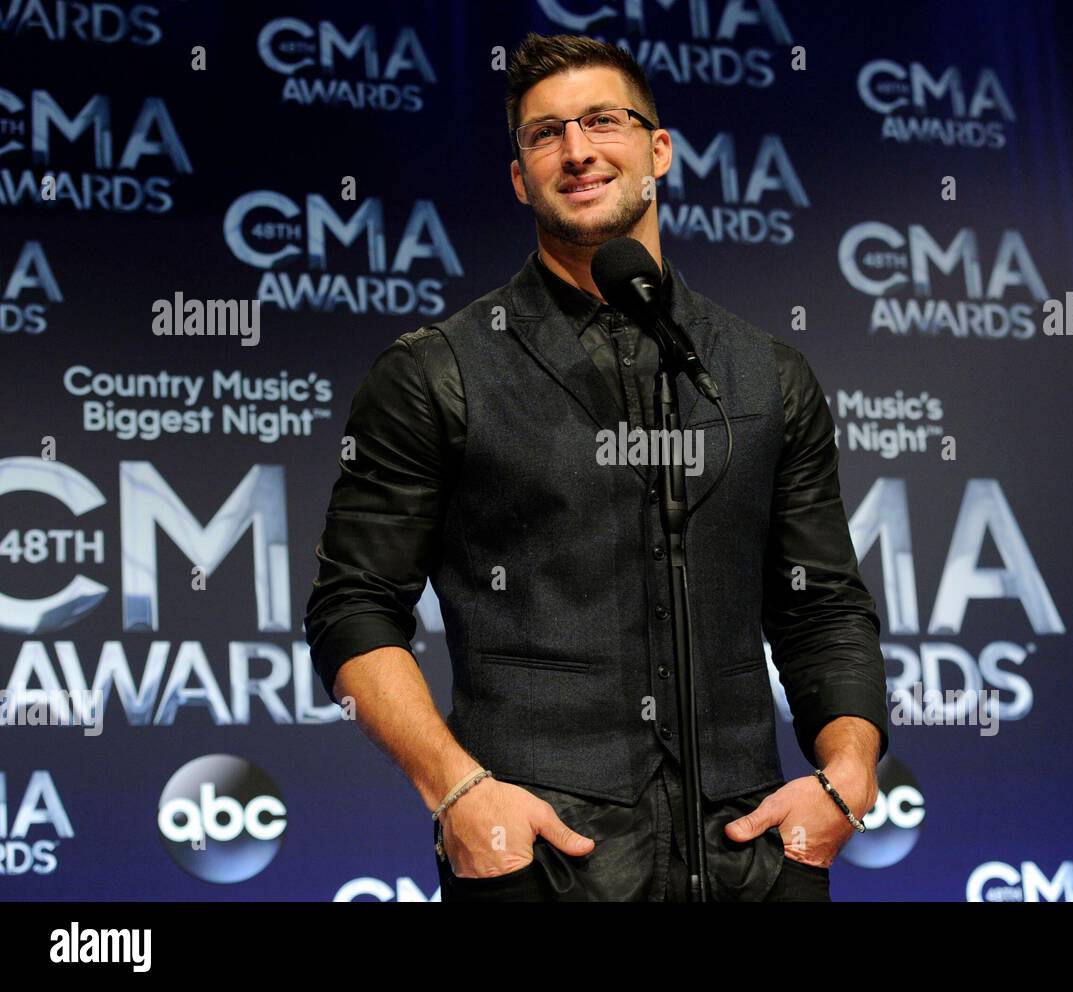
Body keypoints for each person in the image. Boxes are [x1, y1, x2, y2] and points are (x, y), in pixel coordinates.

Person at [303, 32, 889, 902]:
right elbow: (353, 606)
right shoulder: (437, 372)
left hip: (752, 860)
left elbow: (822, 606)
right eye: (545, 134)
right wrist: (458, 793)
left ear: (658, 149)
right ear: (518, 177)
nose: (576, 150)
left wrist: (845, 780)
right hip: (539, 864)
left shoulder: (767, 374)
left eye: (603, 121)